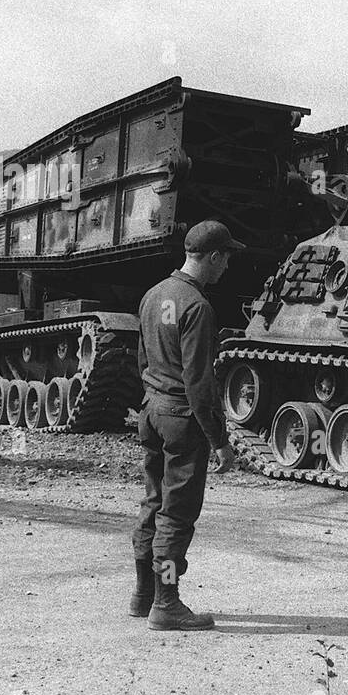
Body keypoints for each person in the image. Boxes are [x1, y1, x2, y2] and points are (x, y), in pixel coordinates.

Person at [130, 220, 241, 631]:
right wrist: (220, 440)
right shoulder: (197, 307)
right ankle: (167, 602)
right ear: (212, 257)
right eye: (226, 257)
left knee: (152, 503)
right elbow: (199, 383)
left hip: (152, 411)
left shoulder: (153, 295)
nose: (227, 267)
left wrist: (148, 399)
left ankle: (143, 594)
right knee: (176, 515)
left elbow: (141, 360)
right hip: (181, 419)